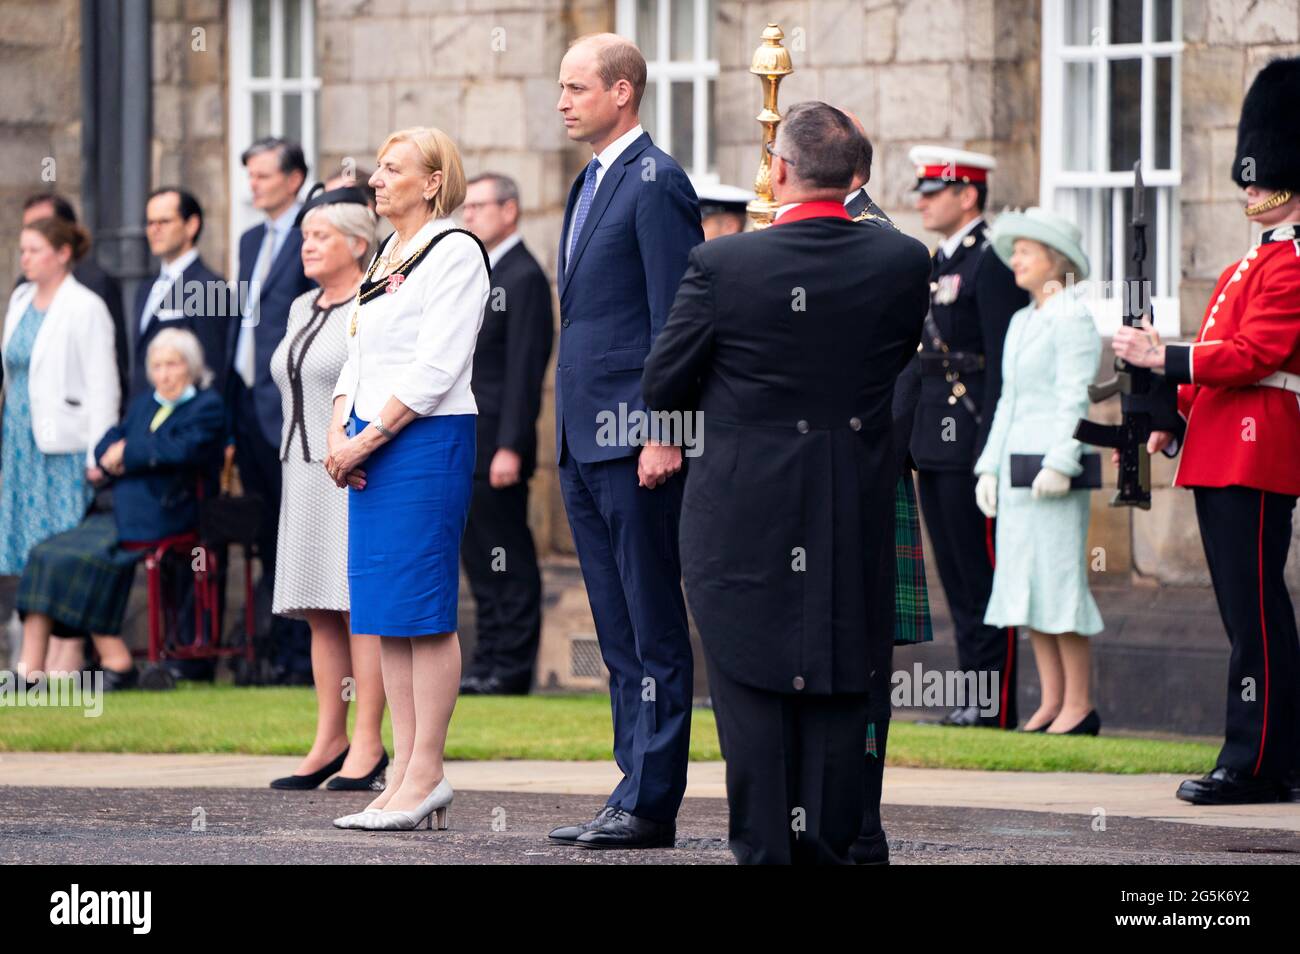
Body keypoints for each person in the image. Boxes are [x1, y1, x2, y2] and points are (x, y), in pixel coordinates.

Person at [644, 101, 930, 864]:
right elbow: (894, 360)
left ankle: (767, 849)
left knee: (751, 693)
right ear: (856, 175)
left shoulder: (724, 264)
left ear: (778, 170)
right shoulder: (905, 260)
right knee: (841, 688)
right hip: (849, 503)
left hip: (743, 511)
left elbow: (662, 383)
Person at [1113, 56, 1300, 806]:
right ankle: (1276, 755)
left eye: (1260, 180)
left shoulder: (1291, 265)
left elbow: (1255, 355)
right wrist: (1174, 414)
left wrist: (1162, 357)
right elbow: (1217, 353)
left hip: (1257, 450)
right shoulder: (1247, 265)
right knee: (1246, 613)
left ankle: (1255, 762)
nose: (1249, 190)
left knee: (1254, 616)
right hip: (1222, 447)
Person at [546, 33, 703, 850]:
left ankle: (651, 802)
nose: (563, 102)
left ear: (622, 92)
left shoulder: (656, 180)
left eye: (577, 88)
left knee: (651, 624)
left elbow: (678, 319)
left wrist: (664, 430)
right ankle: (629, 788)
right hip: (583, 441)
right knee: (615, 628)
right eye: (562, 87)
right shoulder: (591, 179)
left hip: (635, 440)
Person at [325, 126, 490, 832]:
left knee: (424, 611)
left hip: (424, 438)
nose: (377, 179)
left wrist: (367, 439)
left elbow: (436, 365)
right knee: (387, 612)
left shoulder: (454, 251)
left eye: (393, 169)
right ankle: (400, 773)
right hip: (373, 437)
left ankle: (427, 769)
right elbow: (357, 355)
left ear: (432, 182)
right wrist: (339, 429)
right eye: (378, 168)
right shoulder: (388, 253)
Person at [14, 329, 223, 689]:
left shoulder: (207, 406)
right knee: (45, 553)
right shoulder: (144, 404)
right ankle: (29, 671)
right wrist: (117, 451)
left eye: (172, 365)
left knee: (89, 560)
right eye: (157, 366)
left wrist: (128, 452)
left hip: (165, 512)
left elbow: (182, 450)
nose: (164, 375)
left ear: (190, 367)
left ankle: (117, 661)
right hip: (116, 510)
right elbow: (107, 442)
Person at [267, 187, 389, 791]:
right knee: (319, 608)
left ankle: (368, 743)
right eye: (305, 237)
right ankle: (329, 739)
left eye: (321, 236)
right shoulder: (300, 306)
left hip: (350, 469)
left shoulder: (375, 301)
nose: (307, 246)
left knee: (356, 607)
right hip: (300, 470)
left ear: (358, 243)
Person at [838, 113, 935, 866]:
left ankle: (861, 824)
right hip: (818, 474)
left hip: (862, 474)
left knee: (865, 662)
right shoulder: (819, 235)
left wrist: (863, 471)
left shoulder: (879, 244)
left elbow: (904, 379)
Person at [908, 146, 1029, 729]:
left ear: (968, 195)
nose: (922, 203)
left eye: (934, 193)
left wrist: (990, 449)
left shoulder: (992, 260)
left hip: (972, 437)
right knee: (954, 578)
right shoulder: (939, 261)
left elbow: (1003, 362)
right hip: (934, 439)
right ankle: (972, 697)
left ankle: (994, 705)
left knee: (981, 576)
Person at [974, 208, 1103, 736]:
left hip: (1053, 473)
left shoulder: (1072, 317)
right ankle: (1051, 702)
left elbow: (1077, 397)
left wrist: (1060, 461)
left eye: (1026, 252)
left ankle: (1080, 705)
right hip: (1016, 470)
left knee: (1060, 583)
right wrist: (988, 468)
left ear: (1054, 259)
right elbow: (1007, 401)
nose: (1016, 261)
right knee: (1026, 586)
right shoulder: (1021, 320)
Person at [2, 216, 119, 677]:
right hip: (20, 445)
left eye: (34, 249)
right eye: (23, 250)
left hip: (64, 448)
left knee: (59, 546)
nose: (25, 258)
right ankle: (34, 654)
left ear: (63, 253)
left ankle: (66, 654)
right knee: (28, 548)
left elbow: (103, 384)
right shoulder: (19, 301)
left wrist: (99, 453)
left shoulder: (85, 306)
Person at [458, 172, 554, 696]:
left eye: (479, 206)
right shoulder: (481, 272)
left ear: (510, 210)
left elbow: (524, 371)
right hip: (467, 441)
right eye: (466, 207)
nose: (469, 215)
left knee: (506, 554)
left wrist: (511, 447)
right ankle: (487, 659)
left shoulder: (524, 275)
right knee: (478, 556)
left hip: (497, 443)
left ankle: (511, 667)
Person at [227, 137, 316, 685]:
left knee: (299, 529)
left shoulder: (312, 232)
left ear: (294, 178)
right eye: (250, 176)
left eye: (263, 175)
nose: (253, 185)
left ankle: (300, 656)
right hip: (245, 401)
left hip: (288, 403)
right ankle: (270, 648)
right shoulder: (249, 239)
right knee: (265, 532)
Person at [15, 193, 129, 411]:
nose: (33, 233)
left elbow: (108, 373)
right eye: (28, 227)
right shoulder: (23, 292)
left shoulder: (94, 285)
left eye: (43, 225)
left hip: (67, 419)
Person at [131, 188, 234, 401]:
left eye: (164, 222)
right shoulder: (146, 287)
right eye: (150, 223)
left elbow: (214, 369)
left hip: (187, 415)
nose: (154, 230)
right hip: (144, 412)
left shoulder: (210, 286)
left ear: (191, 225)